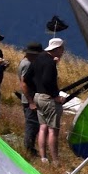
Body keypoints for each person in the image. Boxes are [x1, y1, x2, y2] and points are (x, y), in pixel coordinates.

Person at [34, 38, 65, 166]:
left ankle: (43, 158)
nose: (63, 51)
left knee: (42, 127)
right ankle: (55, 160)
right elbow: (47, 80)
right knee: (53, 130)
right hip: (48, 99)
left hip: (37, 96)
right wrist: (55, 96)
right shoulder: (50, 63)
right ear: (56, 49)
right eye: (62, 49)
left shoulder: (39, 58)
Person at [18, 42, 44, 157]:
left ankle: (30, 147)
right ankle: (28, 149)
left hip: (30, 98)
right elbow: (24, 84)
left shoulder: (25, 62)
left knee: (34, 124)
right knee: (32, 125)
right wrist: (31, 102)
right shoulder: (28, 64)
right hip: (29, 99)